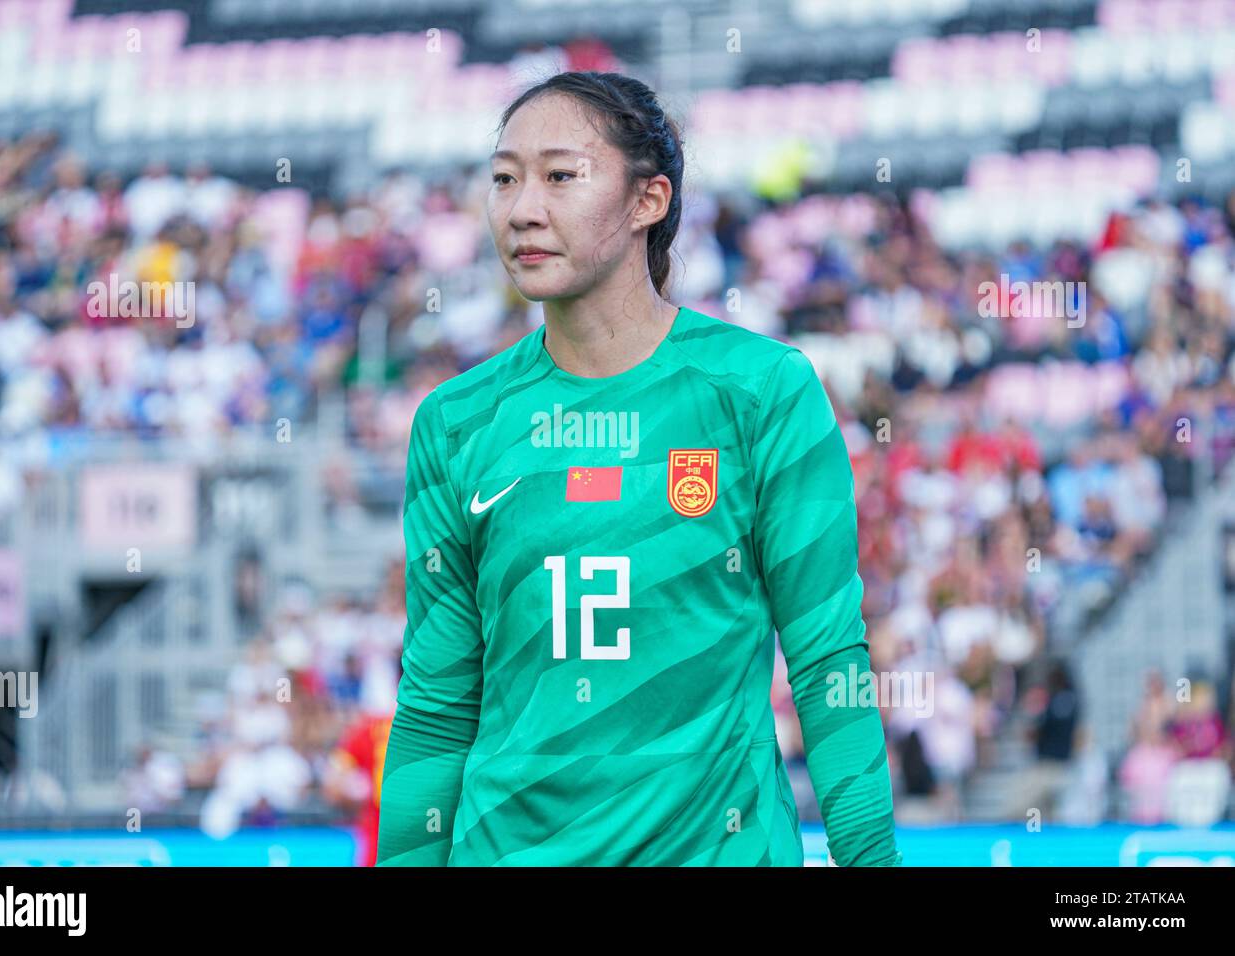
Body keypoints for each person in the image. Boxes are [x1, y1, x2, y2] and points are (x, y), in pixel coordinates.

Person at [377, 71, 901, 866]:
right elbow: (437, 706)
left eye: (560, 176)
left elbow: (830, 663)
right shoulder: (455, 423)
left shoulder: (762, 392)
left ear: (647, 202)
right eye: (504, 179)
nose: (522, 209)